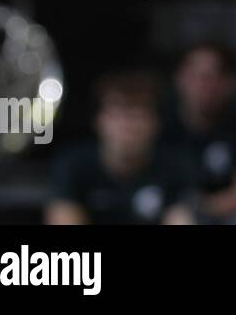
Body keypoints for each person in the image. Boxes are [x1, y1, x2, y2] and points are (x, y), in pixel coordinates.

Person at [46, 71, 195, 225]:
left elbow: (181, 218)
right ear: (99, 120)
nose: (128, 125)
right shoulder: (72, 165)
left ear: (156, 123)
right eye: (118, 113)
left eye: (139, 114)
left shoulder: (176, 167)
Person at [158, 40, 236, 224]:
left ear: (228, 83)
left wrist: (198, 208)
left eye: (213, 77)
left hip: (225, 213)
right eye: (197, 76)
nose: (205, 86)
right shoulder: (160, 120)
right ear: (179, 78)